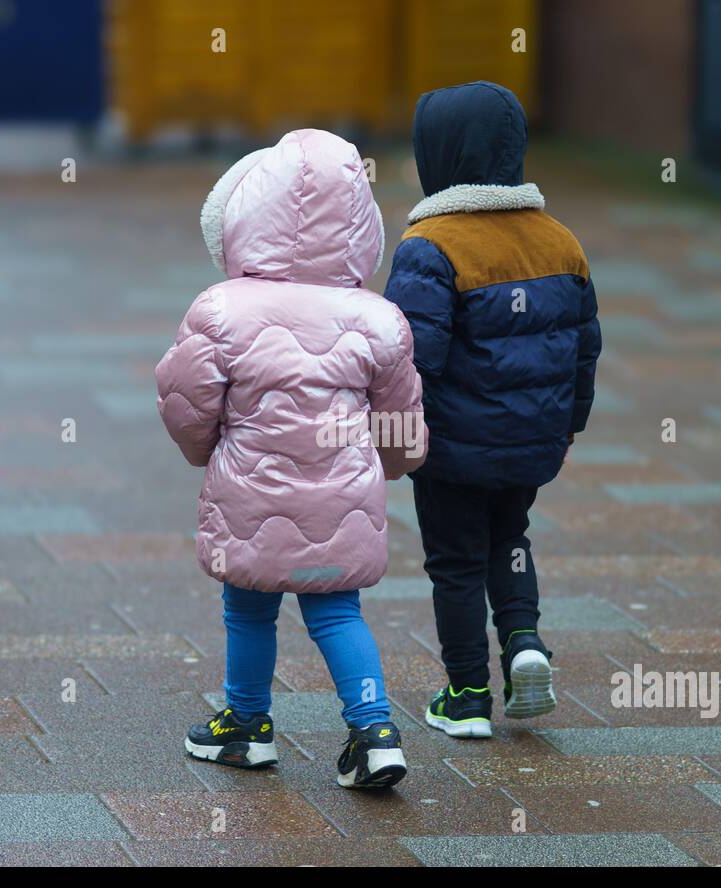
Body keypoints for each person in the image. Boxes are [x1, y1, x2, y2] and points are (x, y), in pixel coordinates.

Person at [155, 129, 427, 788]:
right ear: (362, 225)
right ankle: (374, 730)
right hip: (342, 497)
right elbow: (401, 421)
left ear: (247, 214)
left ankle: (247, 726)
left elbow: (184, 401)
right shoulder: (378, 319)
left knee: (246, 606)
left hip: (250, 491)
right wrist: (388, 466)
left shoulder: (221, 310)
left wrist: (206, 453)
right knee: (337, 612)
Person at [384, 81, 603, 738]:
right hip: (532, 440)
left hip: (452, 446)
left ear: (437, 156)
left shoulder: (431, 245)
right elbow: (584, 346)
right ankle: (526, 642)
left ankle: (467, 693)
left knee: (454, 560)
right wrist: (570, 424)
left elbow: (410, 357)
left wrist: (393, 433)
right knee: (508, 541)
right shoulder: (560, 241)